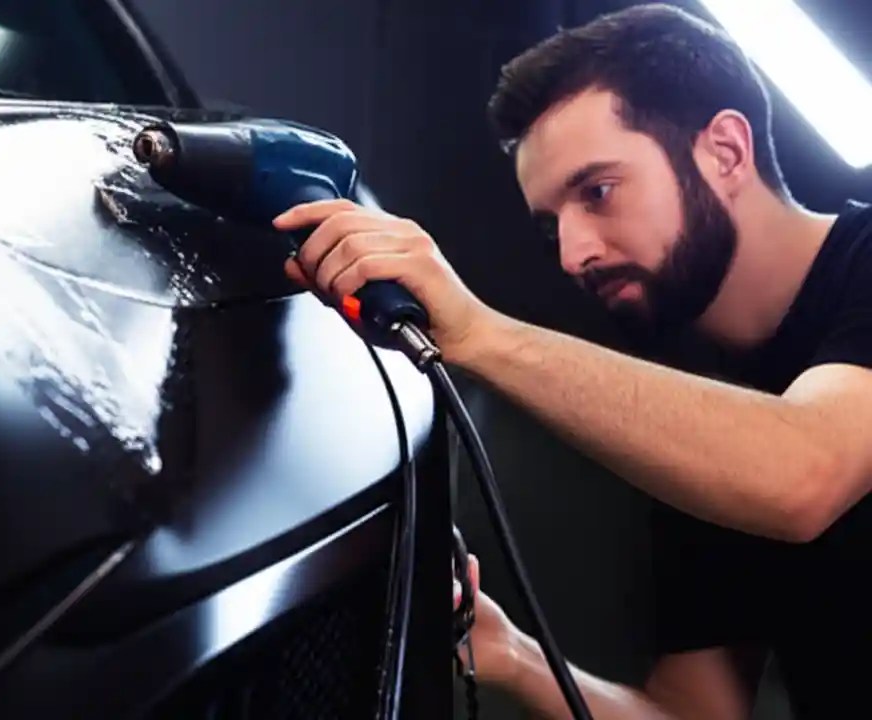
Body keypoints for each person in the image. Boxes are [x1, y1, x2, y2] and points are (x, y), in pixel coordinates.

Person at [275, 3, 872, 719]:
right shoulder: (690, 426)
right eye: (551, 223)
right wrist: (514, 655)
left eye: (598, 192)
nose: (572, 252)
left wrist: (479, 332)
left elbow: (804, 472)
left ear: (726, 151)